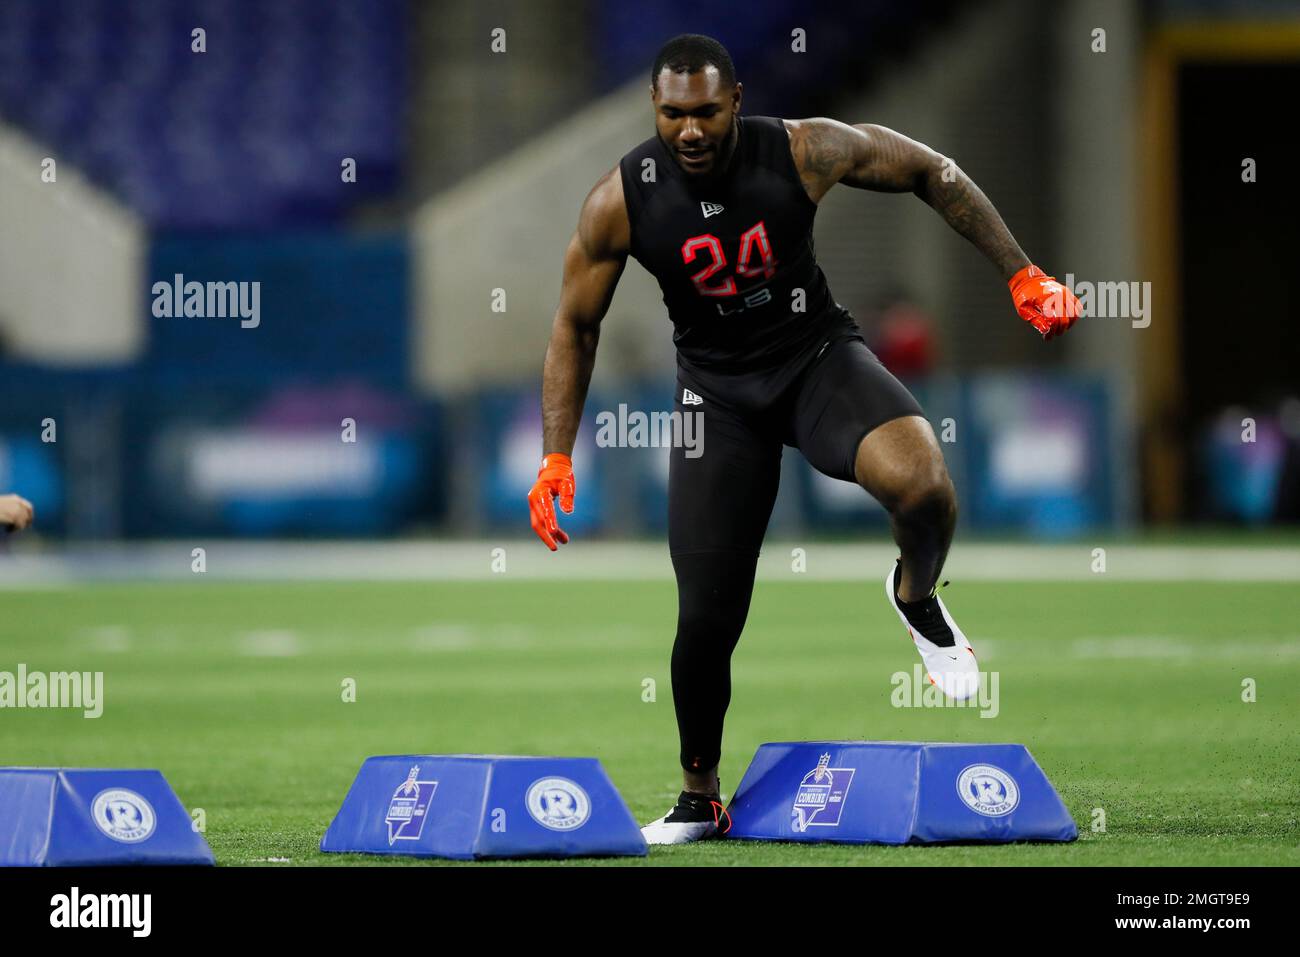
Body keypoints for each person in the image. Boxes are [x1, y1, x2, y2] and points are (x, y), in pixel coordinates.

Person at [527, 34, 1081, 844]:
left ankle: (916, 596)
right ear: (655, 109)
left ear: (736, 102)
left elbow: (930, 168)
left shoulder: (802, 149)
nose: (689, 129)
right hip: (717, 398)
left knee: (925, 486)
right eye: (672, 113)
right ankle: (699, 794)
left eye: (705, 112)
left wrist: (1020, 271)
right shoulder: (621, 199)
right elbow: (575, 326)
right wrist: (554, 455)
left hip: (815, 358)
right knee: (706, 620)